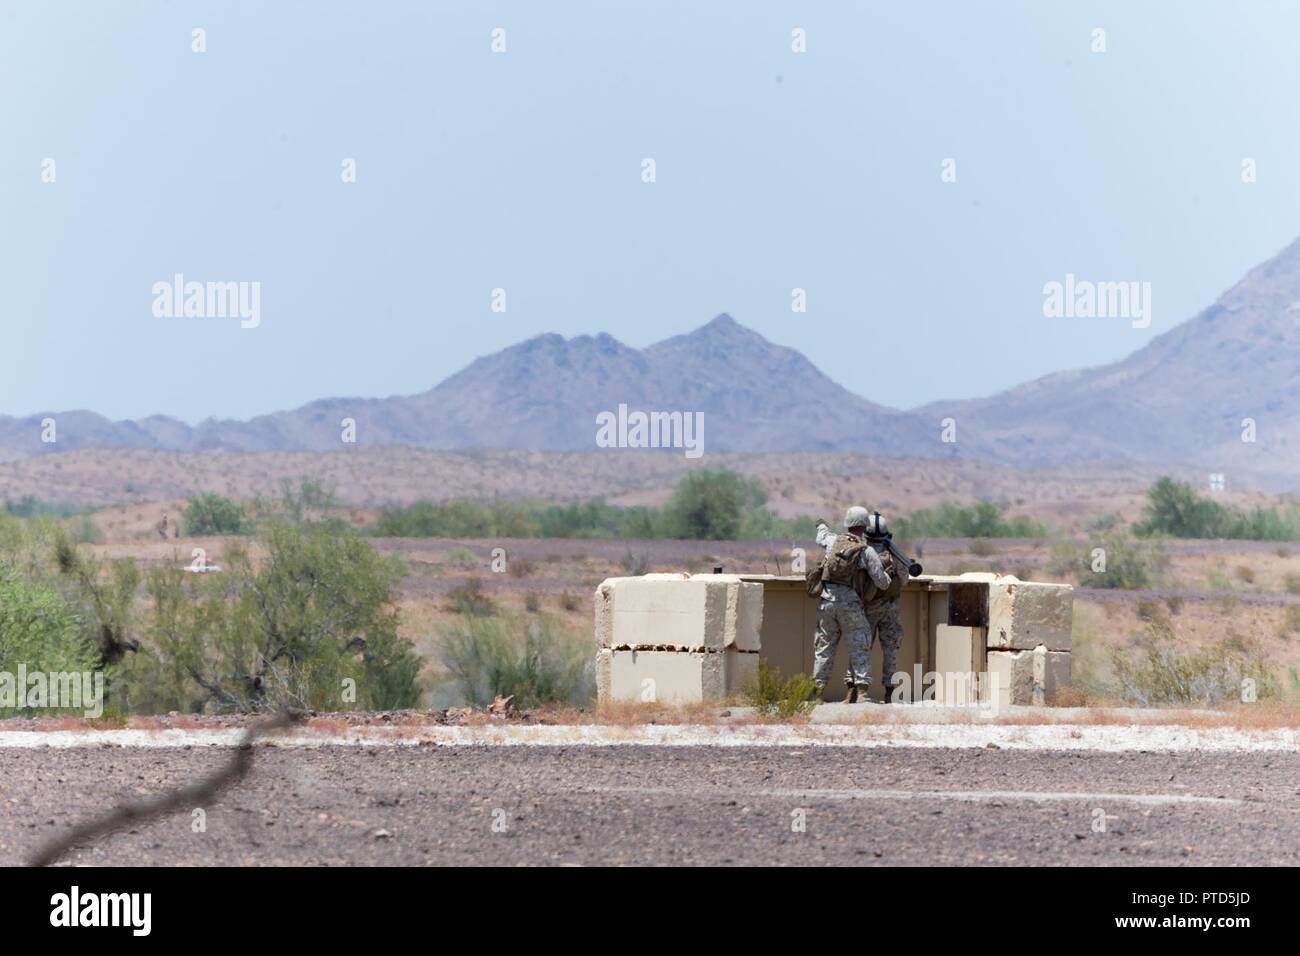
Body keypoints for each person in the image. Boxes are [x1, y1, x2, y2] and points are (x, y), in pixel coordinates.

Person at [812, 506, 892, 703]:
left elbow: (821, 536)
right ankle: (862, 692)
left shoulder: (832, 541)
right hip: (850, 604)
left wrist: (821, 524)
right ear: (865, 527)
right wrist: (889, 577)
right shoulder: (866, 550)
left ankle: (816, 693)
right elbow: (881, 581)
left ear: (847, 523)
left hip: (826, 601)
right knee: (860, 644)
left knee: (824, 648)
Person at [850, 510, 910, 702]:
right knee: (890, 650)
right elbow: (905, 580)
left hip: (866, 608)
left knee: (861, 649)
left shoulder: (862, 552)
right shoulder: (895, 554)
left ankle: (855, 692)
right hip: (890, 608)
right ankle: (890, 693)